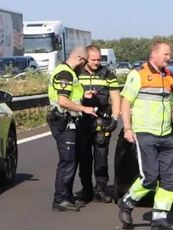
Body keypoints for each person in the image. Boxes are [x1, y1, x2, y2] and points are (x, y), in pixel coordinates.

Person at [116, 41, 173, 230]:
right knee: (150, 176)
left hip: (166, 135)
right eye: (165, 54)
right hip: (145, 133)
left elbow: (172, 105)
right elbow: (125, 102)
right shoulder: (138, 74)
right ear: (154, 54)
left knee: (169, 178)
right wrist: (127, 128)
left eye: (169, 54)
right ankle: (128, 201)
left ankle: (160, 218)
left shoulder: (169, 77)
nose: (169, 58)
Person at [47, 46, 97, 212]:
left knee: (72, 160)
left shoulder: (69, 72)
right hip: (63, 121)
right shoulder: (65, 74)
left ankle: (67, 196)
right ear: (81, 59)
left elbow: (71, 95)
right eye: (85, 62)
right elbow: (63, 101)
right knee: (67, 161)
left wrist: (84, 95)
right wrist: (84, 108)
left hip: (69, 121)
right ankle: (60, 199)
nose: (84, 66)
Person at [74, 44, 122, 203]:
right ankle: (86, 190)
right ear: (86, 58)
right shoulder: (76, 73)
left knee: (101, 158)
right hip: (82, 121)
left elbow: (116, 97)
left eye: (98, 60)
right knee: (83, 158)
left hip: (102, 120)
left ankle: (100, 189)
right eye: (93, 60)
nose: (96, 63)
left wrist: (115, 118)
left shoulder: (108, 74)